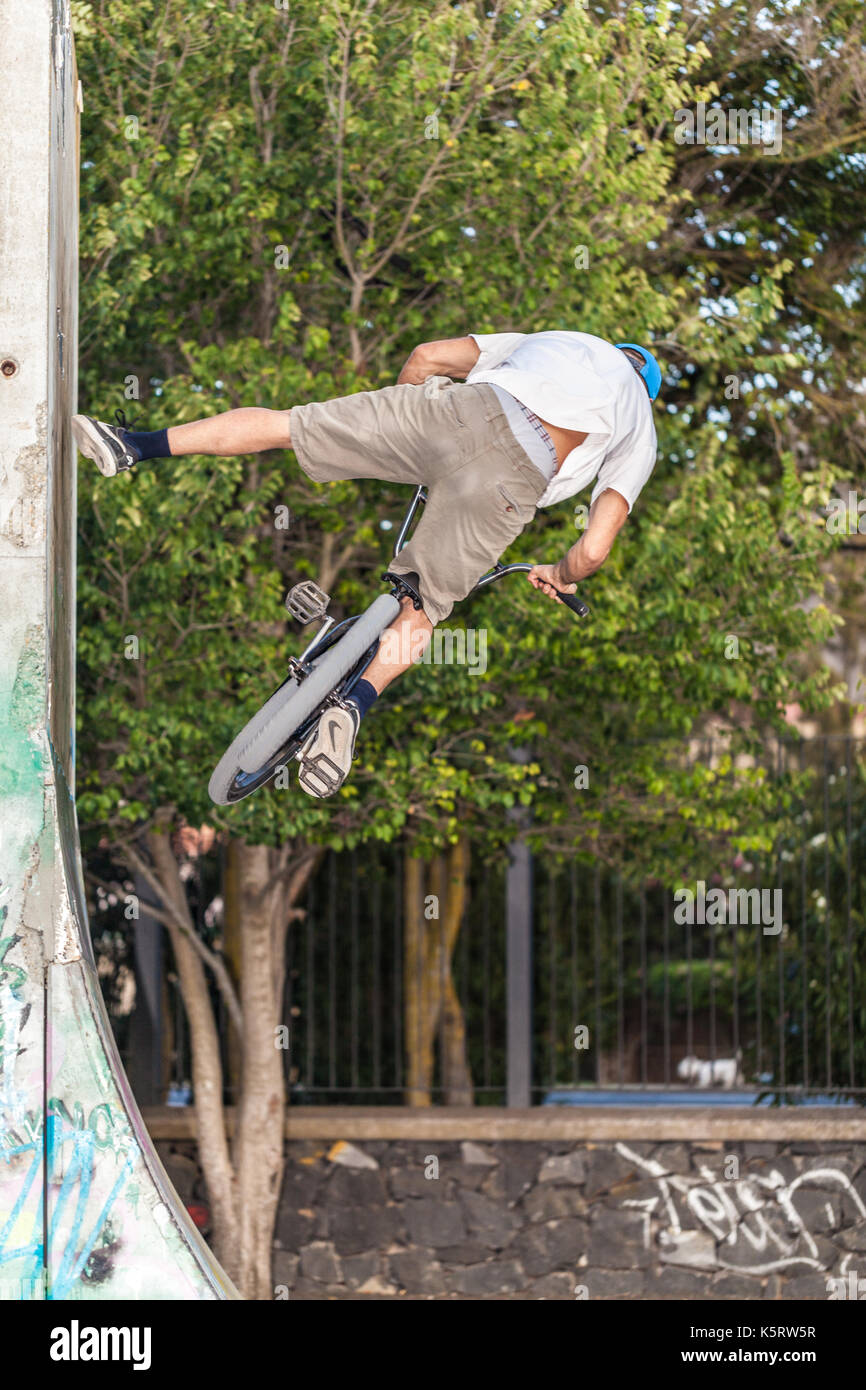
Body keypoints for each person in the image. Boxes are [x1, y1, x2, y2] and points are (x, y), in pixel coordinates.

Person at [72, 331, 660, 797]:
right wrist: (561, 575)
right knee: (424, 608)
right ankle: (352, 710)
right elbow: (594, 549)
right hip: (513, 479)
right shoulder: (639, 425)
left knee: (287, 425)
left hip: (457, 411)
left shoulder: (558, 339)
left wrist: (403, 429)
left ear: (616, 349)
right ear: (646, 386)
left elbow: (427, 356)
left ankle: (131, 445)